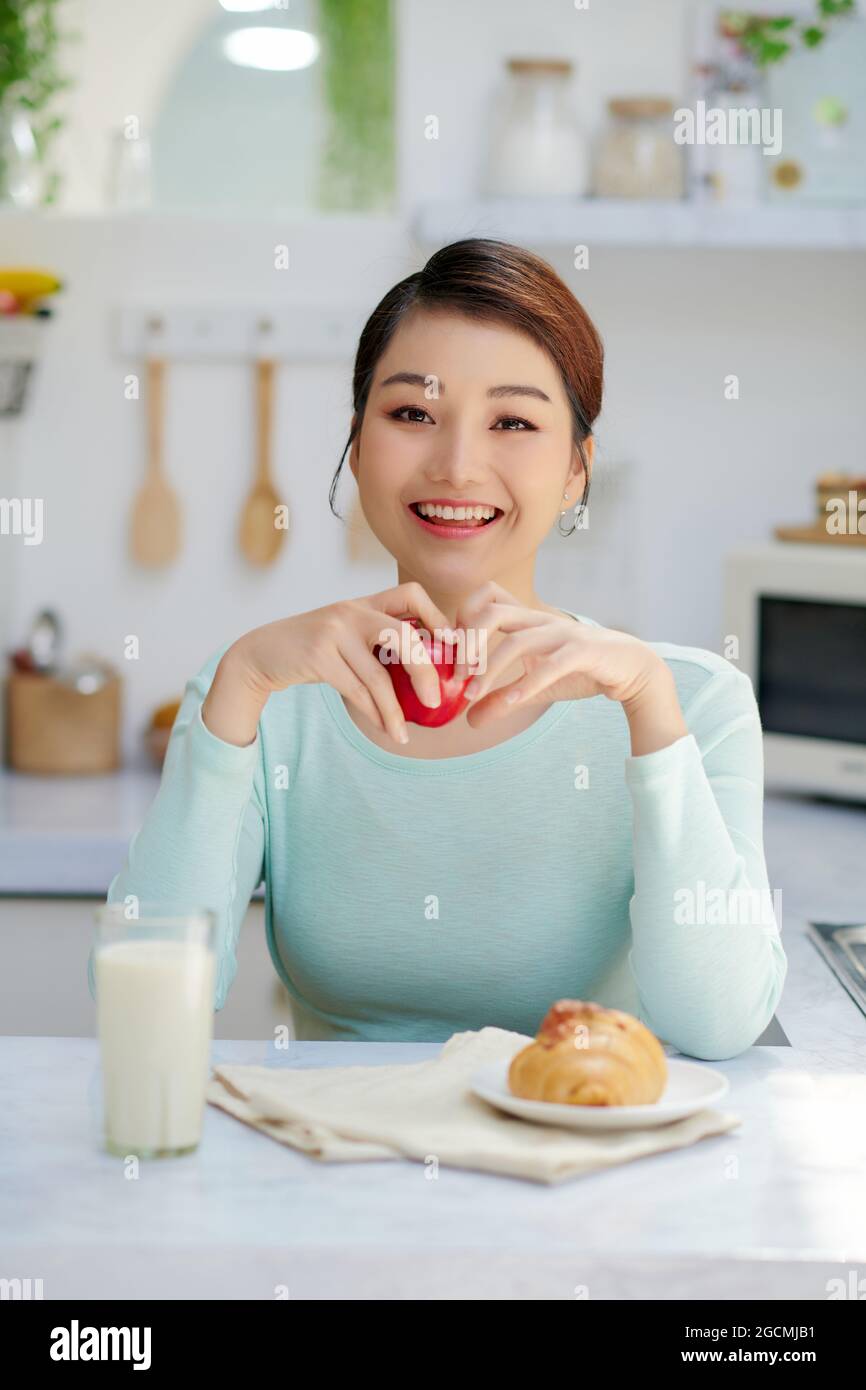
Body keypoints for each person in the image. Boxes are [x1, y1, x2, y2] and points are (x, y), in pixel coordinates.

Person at [91, 238, 786, 1057]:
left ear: (575, 469)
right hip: (334, 1163)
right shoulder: (265, 691)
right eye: (413, 414)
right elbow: (132, 1008)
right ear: (357, 446)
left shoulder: (690, 701)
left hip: (589, 1167)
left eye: (514, 422)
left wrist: (651, 716)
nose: (457, 465)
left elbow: (721, 1024)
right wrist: (240, 682)